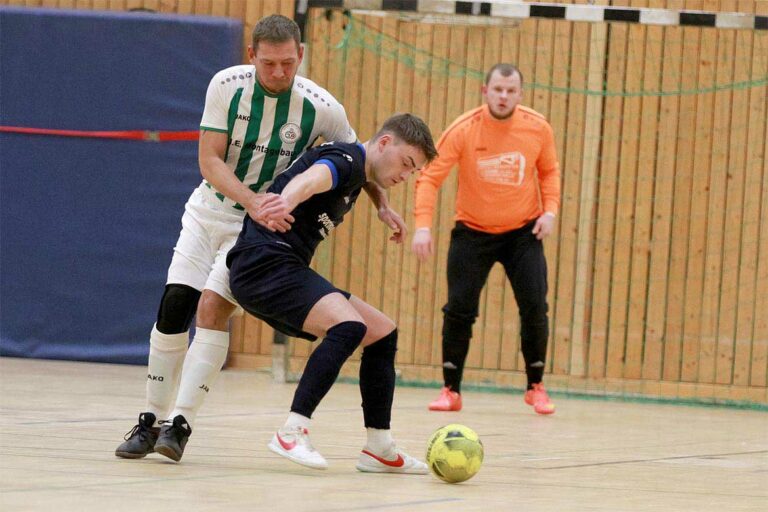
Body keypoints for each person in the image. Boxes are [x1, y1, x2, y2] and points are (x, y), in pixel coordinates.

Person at [116, 14, 406, 462]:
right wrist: (252, 199)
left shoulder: (323, 107)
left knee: (212, 308)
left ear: (301, 56)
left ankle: (180, 423)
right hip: (214, 207)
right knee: (174, 305)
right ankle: (150, 419)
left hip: (257, 226)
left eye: (288, 63)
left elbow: (358, 160)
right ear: (252, 56)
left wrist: (381, 202)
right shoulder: (226, 86)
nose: (279, 73)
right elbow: (209, 161)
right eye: (269, 64)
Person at [228, 113, 438, 472]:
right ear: (385, 143)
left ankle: (378, 447)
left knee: (381, 333)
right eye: (406, 163)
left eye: (414, 171)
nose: (406, 175)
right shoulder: (346, 161)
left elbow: (367, 176)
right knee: (348, 327)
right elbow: (314, 178)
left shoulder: (360, 169)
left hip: (281, 268)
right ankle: (292, 431)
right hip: (263, 265)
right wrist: (285, 201)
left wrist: (383, 205)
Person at [412, 63, 560, 415]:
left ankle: (535, 386)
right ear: (485, 91)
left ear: (521, 95)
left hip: (523, 233)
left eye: (511, 91)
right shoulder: (465, 129)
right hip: (472, 233)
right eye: (498, 90)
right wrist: (422, 225)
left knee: (535, 307)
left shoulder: (537, 127)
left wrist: (550, 211)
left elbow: (549, 171)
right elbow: (430, 176)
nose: (504, 96)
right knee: (459, 311)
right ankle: (450, 390)